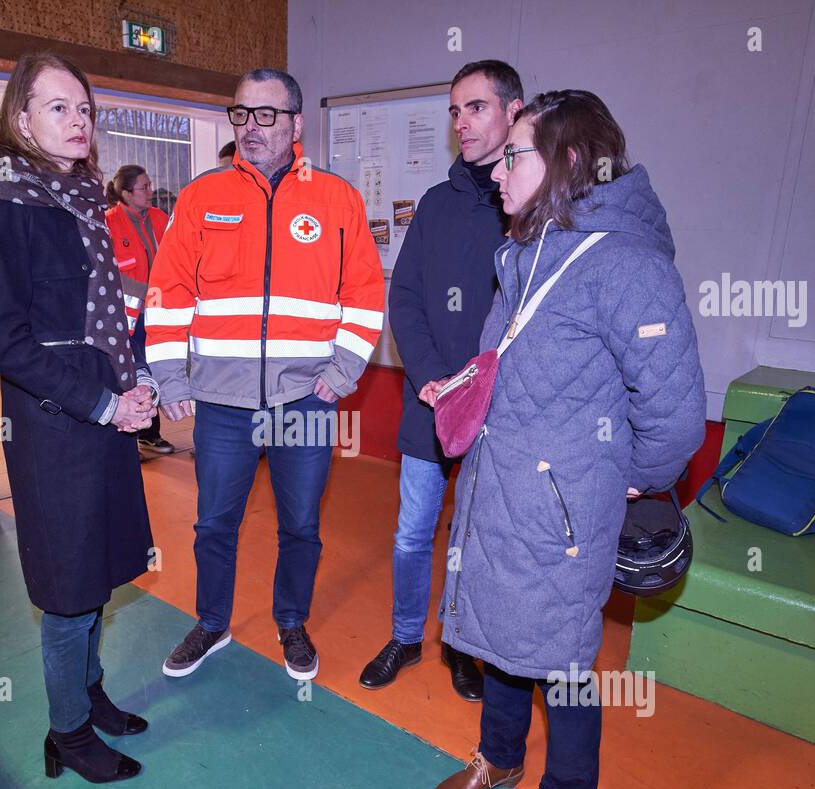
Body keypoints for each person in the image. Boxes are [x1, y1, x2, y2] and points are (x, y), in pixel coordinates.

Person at [428, 90, 705, 789]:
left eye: (515, 155)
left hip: (565, 501)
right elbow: (507, 362)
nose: (497, 170)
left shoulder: (626, 266)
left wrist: (631, 478)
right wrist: (460, 390)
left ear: (571, 161)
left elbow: (679, 415)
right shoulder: (524, 251)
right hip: (500, 483)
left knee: (565, 657)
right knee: (500, 630)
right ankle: (501, 754)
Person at [144, 68, 385, 681]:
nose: (251, 127)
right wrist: (170, 379)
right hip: (221, 403)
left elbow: (363, 294)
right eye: (241, 114)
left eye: (266, 115)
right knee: (213, 523)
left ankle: (291, 622)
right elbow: (167, 294)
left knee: (301, 524)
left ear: (296, 124)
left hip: (305, 400)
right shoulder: (202, 198)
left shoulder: (336, 199)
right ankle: (211, 623)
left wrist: (344, 369)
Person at [0, 52, 158, 785]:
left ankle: (90, 693)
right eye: (59, 108)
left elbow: (104, 320)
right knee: (68, 593)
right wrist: (107, 401)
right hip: (53, 427)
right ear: (20, 119)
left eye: (85, 110)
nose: (79, 122)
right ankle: (67, 734)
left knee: (96, 572)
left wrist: (131, 388)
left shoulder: (77, 199)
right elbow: (6, 342)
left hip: (100, 413)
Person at [359, 60, 524, 701]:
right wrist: (431, 379)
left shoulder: (531, 208)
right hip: (431, 402)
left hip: (502, 410)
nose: (463, 122)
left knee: (471, 535)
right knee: (412, 530)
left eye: (477, 107)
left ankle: (459, 643)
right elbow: (404, 299)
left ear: (514, 111)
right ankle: (406, 636)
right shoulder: (435, 204)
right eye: (456, 111)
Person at [105, 164, 177, 455]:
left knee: (153, 371)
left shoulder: (161, 218)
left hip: (159, 312)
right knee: (131, 373)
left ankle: (150, 433)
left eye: (150, 185)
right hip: (127, 316)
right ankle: (129, 436)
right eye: (143, 188)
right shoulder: (109, 222)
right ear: (125, 193)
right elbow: (109, 273)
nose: (150, 192)